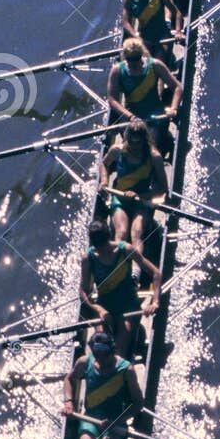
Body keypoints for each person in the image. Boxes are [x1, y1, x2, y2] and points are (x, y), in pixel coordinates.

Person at [80, 218, 161, 355]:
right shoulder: (88, 258)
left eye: (105, 246)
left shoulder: (125, 249)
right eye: (99, 248)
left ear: (108, 238)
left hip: (128, 305)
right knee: (100, 346)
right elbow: (83, 291)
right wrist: (97, 308)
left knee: (118, 350)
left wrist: (155, 301)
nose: (103, 251)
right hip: (104, 306)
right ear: (94, 244)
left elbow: (156, 273)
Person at [99, 118, 168, 250]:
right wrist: (104, 180)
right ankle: (119, 264)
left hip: (142, 200)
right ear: (126, 137)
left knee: (136, 234)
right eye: (131, 141)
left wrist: (139, 195)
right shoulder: (116, 150)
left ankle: (136, 271)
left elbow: (163, 188)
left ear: (144, 140)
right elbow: (104, 163)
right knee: (121, 233)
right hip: (119, 197)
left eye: (138, 143)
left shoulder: (154, 157)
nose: (134, 146)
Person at [107, 36, 180, 155]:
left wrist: (174, 108)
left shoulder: (155, 65)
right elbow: (112, 100)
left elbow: (177, 87)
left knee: (148, 147)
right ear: (125, 57)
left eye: (136, 59)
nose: (134, 63)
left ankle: (163, 140)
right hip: (132, 116)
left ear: (142, 55)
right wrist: (130, 117)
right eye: (130, 59)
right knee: (132, 147)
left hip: (155, 115)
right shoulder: (116, 71)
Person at [122, 0, 183, 68]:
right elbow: (125, 22)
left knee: (158, 64)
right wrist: (136, 36)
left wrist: (178, 31)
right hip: (144, 37)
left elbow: (177, 12)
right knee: (142, 65)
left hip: (163, 34)